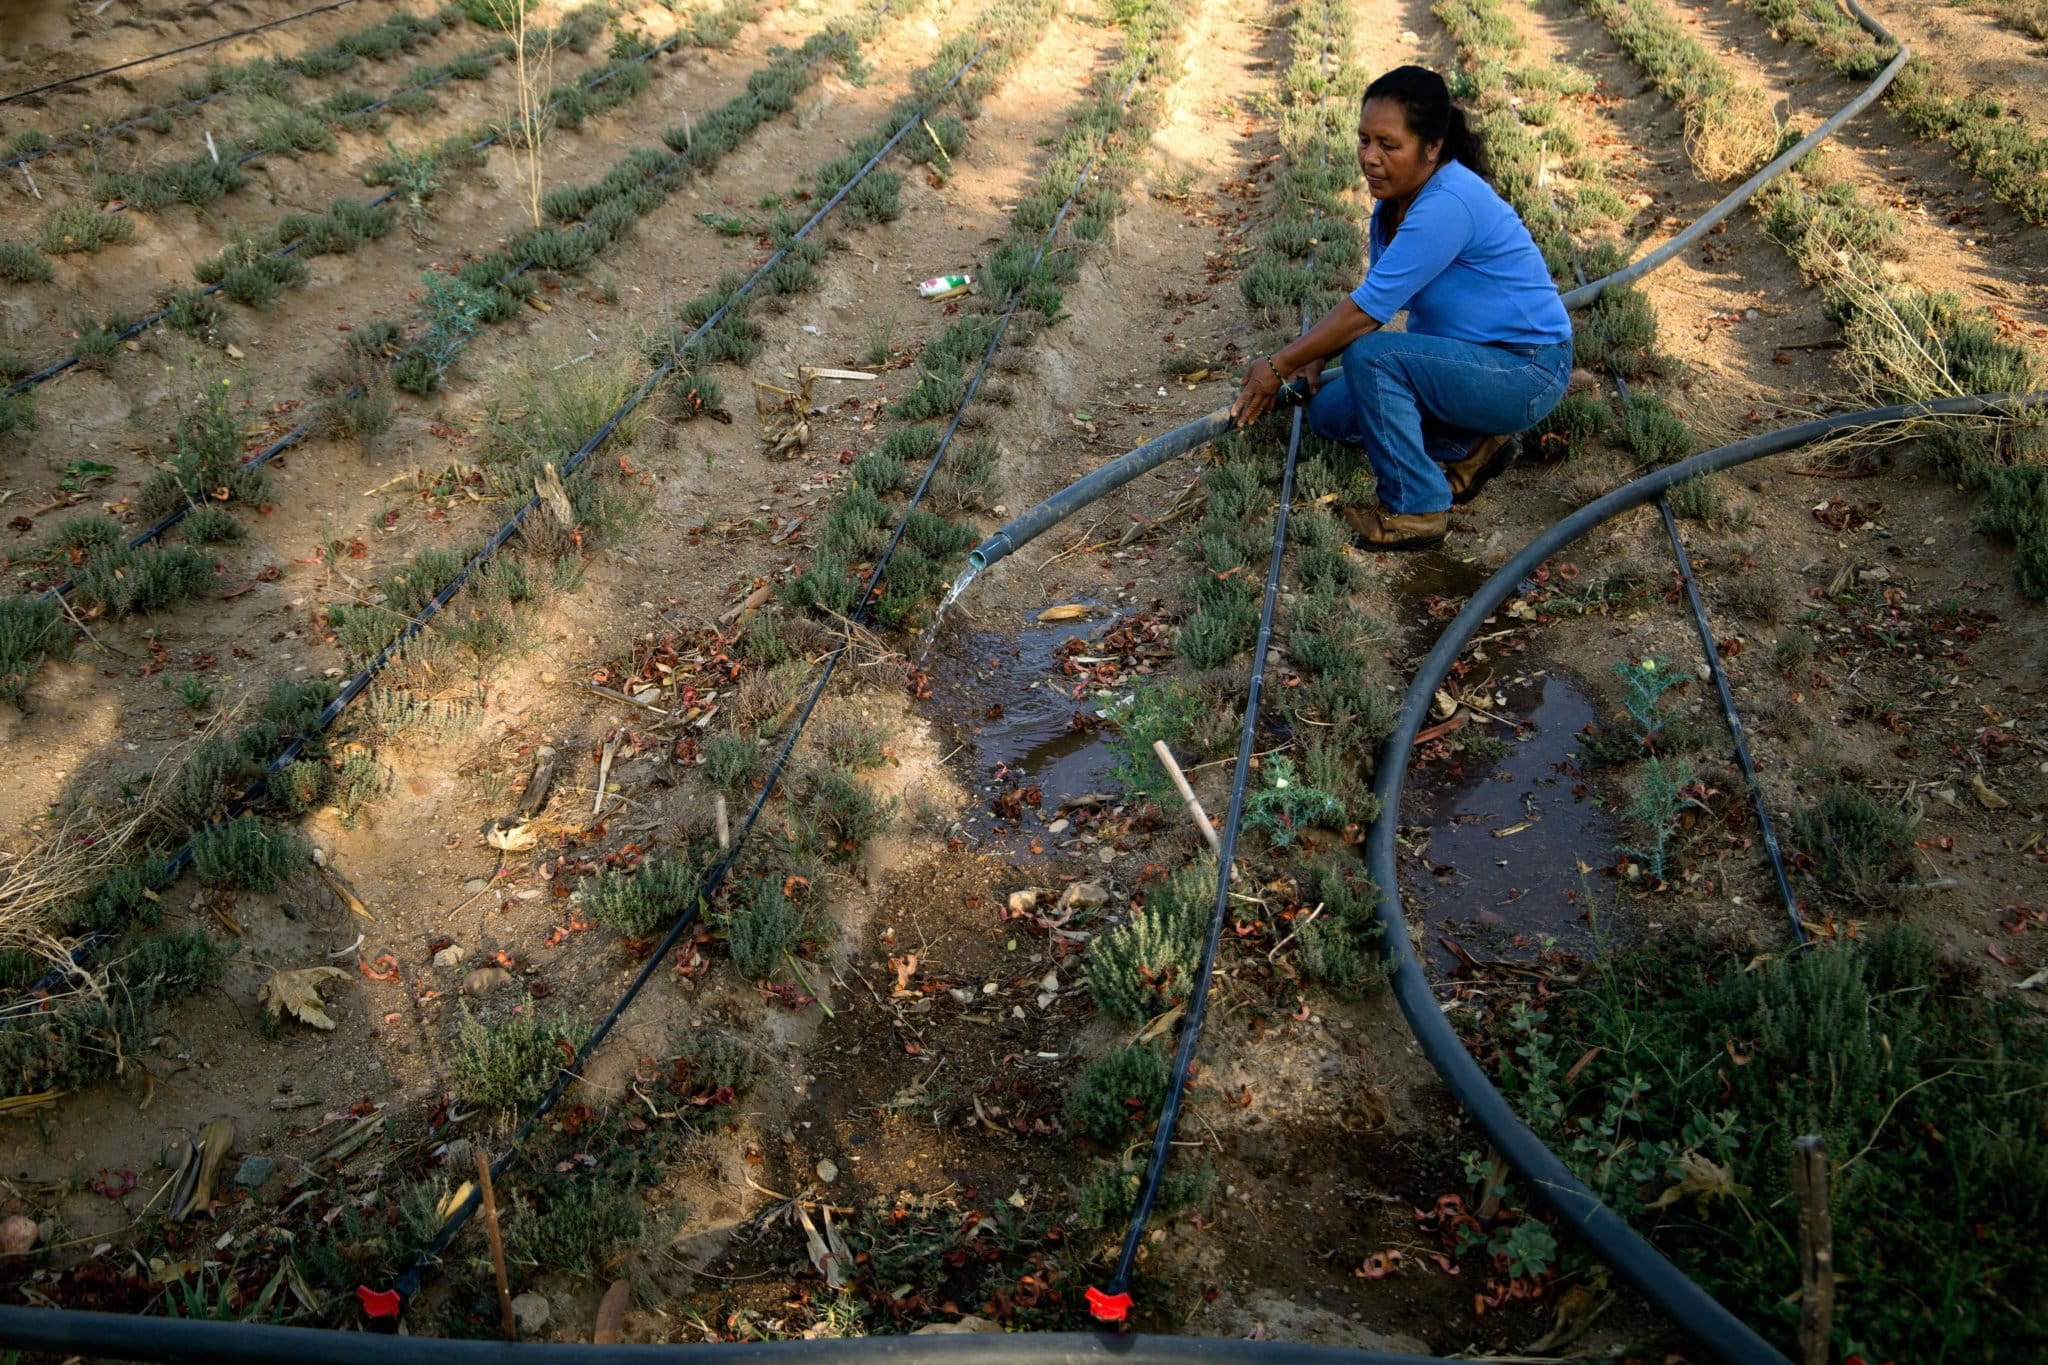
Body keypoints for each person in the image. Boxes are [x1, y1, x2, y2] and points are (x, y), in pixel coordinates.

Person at [1230, 65, 1574, 551]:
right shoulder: (1394, 204)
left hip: (1525, 371)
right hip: (1468, 362)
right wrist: (1315, 355)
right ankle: (1472, 447)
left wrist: (1277, 365)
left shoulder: (1448, 203)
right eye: (1364, 140)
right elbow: (1378, 296)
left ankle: (1418, 508)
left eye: (1388, 146)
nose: (1370, 158)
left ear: (1432, 147)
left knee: (1373, 356)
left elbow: (1367, 314)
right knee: (1331, 414)